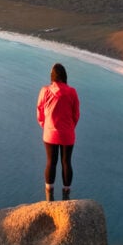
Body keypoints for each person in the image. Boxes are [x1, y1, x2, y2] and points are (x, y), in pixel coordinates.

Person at [36, 62, 79, 201]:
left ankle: (49, 195)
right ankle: (66, 195)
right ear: (65, 76)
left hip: (50, 133)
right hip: (67, 133)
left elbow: (40, 112)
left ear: (52, 76)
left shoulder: (45, 91)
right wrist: (70, 127)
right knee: (66, 162)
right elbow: (76, 114)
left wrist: (45, 125)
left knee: (51, 162)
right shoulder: (72, 92)